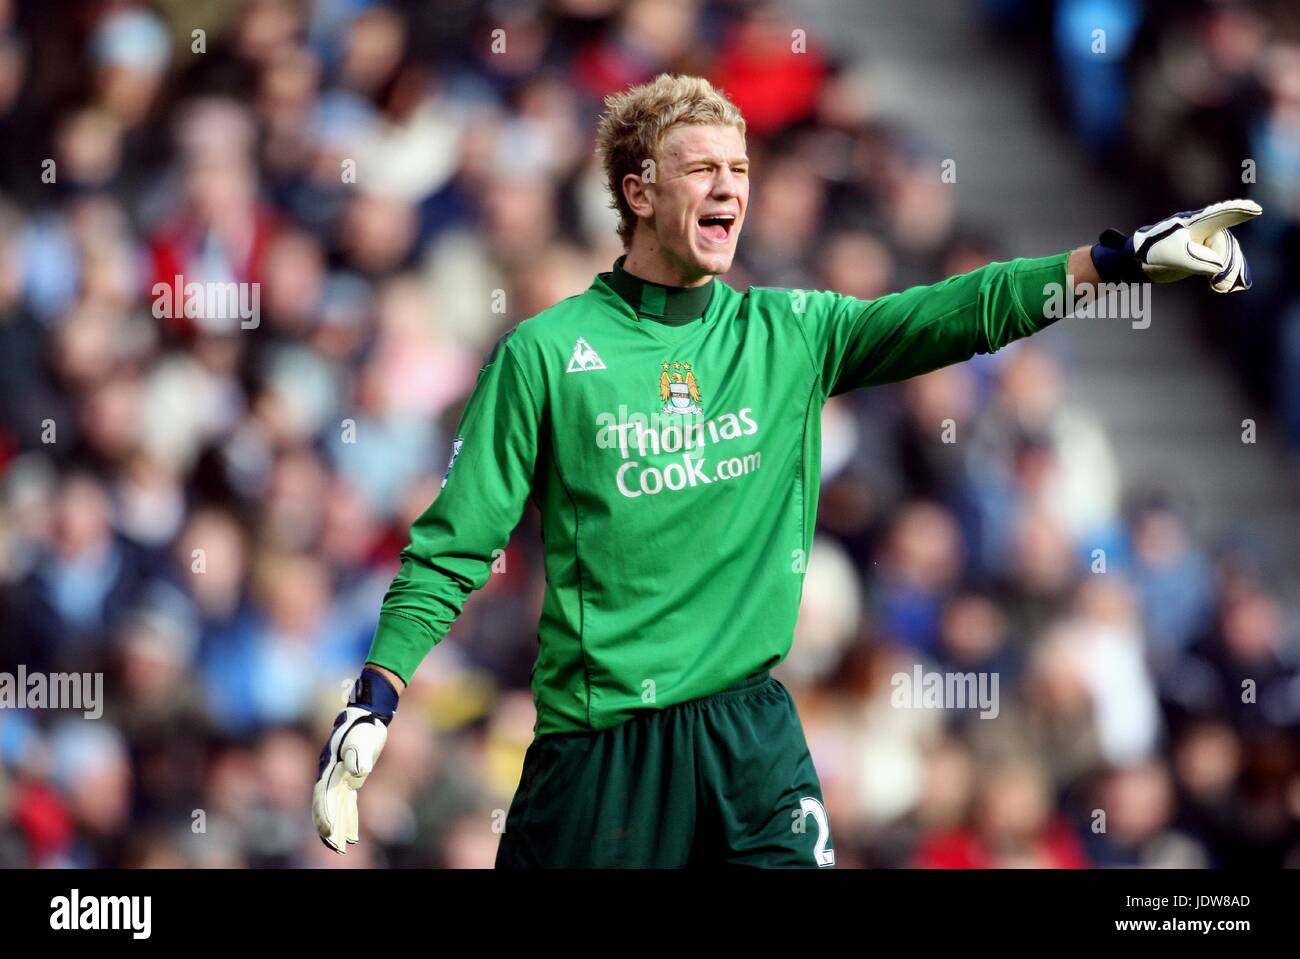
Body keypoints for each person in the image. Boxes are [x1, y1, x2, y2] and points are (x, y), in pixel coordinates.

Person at [312, 73, 1261, 868]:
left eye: (740, 169)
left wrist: (1121, 260)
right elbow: (452, 547)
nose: (729, 187)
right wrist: (377, 692)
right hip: (601, 755)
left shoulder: (791, 333)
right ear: (639, 193)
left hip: (749, 738)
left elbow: (962, 311)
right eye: (701, 170)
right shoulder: (546, 355)